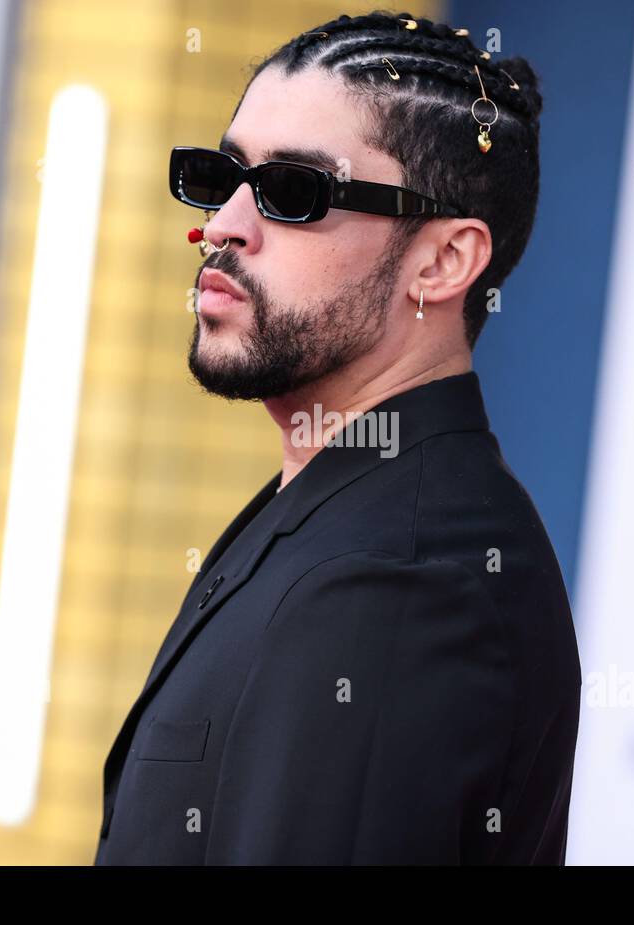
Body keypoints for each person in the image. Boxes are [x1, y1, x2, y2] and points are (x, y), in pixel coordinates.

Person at [96, 12, 580, 865]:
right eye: (224, 176)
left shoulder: (398, 586)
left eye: (293, 193)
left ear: (441, 263)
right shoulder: (339, 507)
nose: (222, 227)